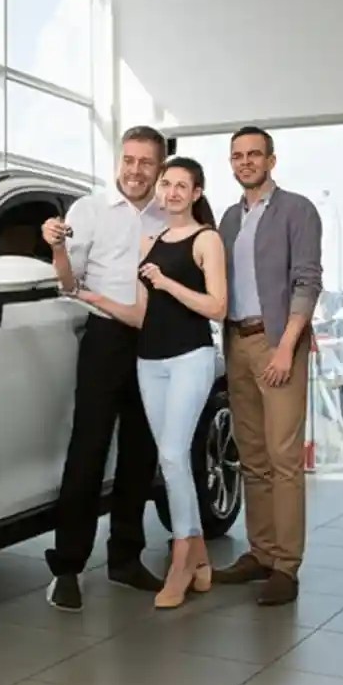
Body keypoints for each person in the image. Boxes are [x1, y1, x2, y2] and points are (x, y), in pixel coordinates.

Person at [74, 156, 227, 609]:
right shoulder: (149, 242)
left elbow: (217, 306)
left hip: (190, 358)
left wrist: (166, 283)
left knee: (174, 456)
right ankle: (198, 555)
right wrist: (92, 297)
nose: (172, 192)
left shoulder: (207, 239)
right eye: (167, 184)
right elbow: (141, 314)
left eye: (182, 185)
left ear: (197, 193)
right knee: (170, 457)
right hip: (149, 361)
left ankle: (182, 557)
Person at [40, 126, 170, 611]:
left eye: (146, 163)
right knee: (88, 450)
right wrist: (54, 246)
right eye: (129, 160)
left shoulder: (168, 213)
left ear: (159, 169)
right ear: (120, 161)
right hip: (105, 339)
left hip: (154, 338)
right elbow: (69, 281)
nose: (136, 171)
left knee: (140, 452)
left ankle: (125, 559)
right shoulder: (89, 211)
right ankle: (68, 567)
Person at [210, 126, 323, 606]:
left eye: (255, 154)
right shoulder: (229, 220)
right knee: (251, 457)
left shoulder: (297, 210)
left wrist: (286, 346)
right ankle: (260, 552)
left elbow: (307, 281)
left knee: (282, 458)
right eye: (238, 155)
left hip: (278, 344)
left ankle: (286, 566)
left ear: (271, 160)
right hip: (236, 343)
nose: (246, 162)